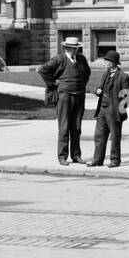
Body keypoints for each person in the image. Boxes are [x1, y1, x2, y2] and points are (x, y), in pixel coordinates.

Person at [39, 37, 90, 165]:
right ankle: (62, 156)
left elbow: (87, 73)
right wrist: (54, 82)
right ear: (66, 48)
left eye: (76, 48)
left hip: (79, 95)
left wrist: (82, 85)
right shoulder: (59, 59)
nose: (75, 50)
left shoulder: (81, 59)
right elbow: (43, 70)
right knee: (64, 127)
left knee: (77, 128)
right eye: (72, 48)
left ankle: (76, 156)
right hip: (64, 96)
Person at [87, 50, 129, 168]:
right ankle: (97, 160)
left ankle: (115, 160)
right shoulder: (105, 74)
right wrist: (98, 90)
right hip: (102, 109)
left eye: (106, 61)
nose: (104, 62)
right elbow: (101, 88)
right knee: (99, 135)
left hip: (114, 111)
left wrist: (120, 110)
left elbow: (127, 96)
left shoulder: (123, 77)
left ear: (113, 63)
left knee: (115, 137)